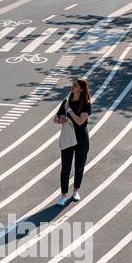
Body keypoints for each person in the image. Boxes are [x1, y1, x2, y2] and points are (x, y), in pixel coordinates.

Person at [54, 76, 91, 206]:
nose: (72, 87)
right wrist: (60, 120)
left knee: (79, 166)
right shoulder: (66, 101)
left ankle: (75, 191)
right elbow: (55, 119)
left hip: (81, 138)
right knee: (65, 167)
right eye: (73, 84)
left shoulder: (86, 103)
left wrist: (69, 110)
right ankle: (63, 195)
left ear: (81, 89)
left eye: (75, 85)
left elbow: (80, 121)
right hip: (68, 137)